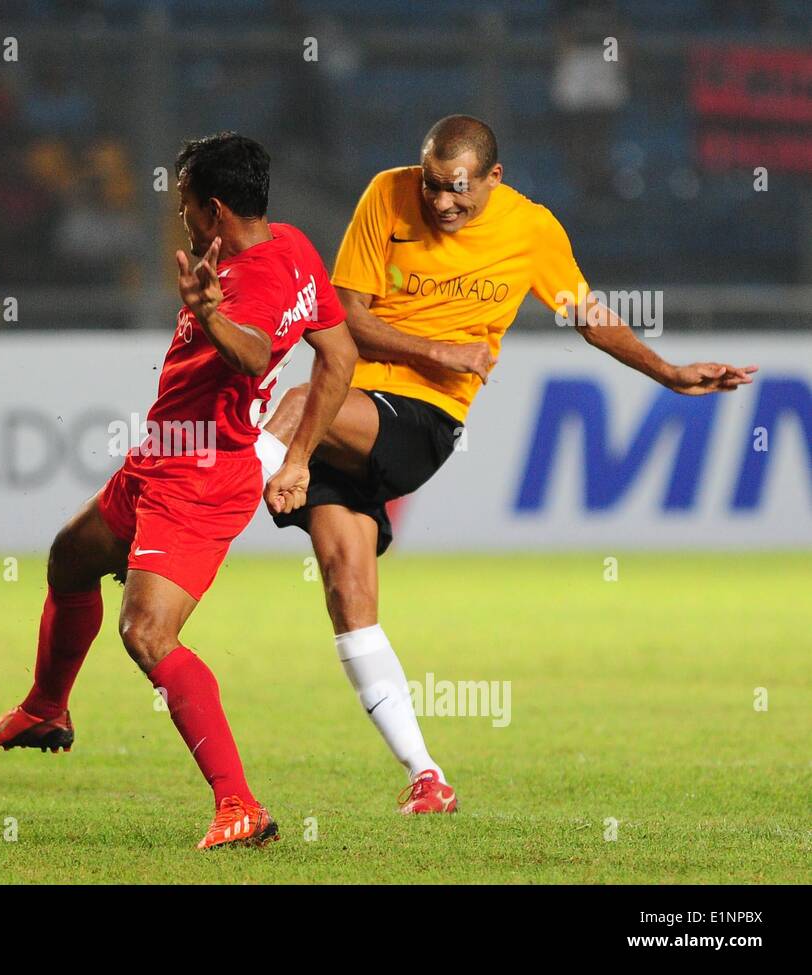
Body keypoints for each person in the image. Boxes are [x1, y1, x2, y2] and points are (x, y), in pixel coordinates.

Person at [257, 115, 756, 815]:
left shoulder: (531, 228)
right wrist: (437, 348)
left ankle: (201, 518)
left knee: (292, 404)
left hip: (419, 420)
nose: (441, 203)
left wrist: (668, 372)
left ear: (495, 178)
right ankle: (427, 775)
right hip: (351, 411)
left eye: (458, 190)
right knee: (349, 596)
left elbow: (586, 311)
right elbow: (347, 316)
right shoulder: (386, 195)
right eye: (432, 186)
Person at [0, 132, 357, 849]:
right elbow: (339, 352)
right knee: (70, 558)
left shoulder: (256, 278)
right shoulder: (295, 246)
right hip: (161, 456)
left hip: (203, 475)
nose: (178, 217)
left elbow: (255, 355)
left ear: (212, 208)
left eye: (183, 204)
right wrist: (297, 457)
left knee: (147, 632)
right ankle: (47, 707)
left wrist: (210, 313)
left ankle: (239, 803)